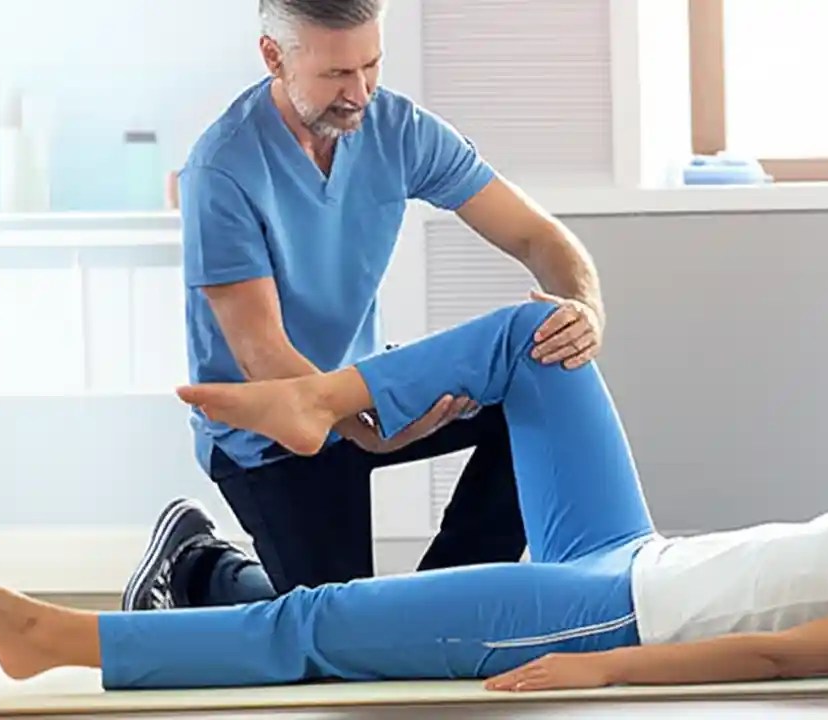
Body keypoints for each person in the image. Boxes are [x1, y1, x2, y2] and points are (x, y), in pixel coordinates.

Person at [0, 301, 828, 693]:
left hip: (602, 613)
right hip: (626, 545)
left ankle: (60, 639)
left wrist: (599, 670)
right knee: (542, 337)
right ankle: (319, 400)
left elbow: (777, 660)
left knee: (323, 620)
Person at [121, 0, 610, 611]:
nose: (358, 93)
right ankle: (202, 566)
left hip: (365, 385)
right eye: (334, 75)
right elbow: (260, 352)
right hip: (270, 428)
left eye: (370, 66)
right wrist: (354, 422)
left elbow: (538, 236)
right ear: (274, 57)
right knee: (334, 630)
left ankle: (440, 601)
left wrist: (583, 307)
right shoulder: (222, 169)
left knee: (543, 380)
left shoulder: (398, 128)